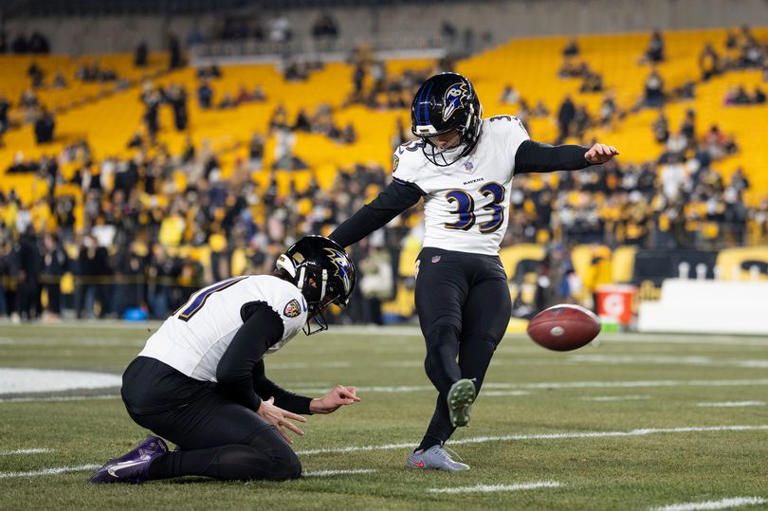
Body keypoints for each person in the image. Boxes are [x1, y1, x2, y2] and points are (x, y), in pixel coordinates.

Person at [329, 72, 618, 471]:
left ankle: (429, 448)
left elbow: (546, 156)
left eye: (445, 133)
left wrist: (585, 156)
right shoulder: (419, 159)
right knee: (442, 339)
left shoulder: (502, 138)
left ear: (468, 120)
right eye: (430, 134)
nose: (436, 142)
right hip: (441, 261)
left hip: (488, 266)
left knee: (477, 360)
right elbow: (379, 210)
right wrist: (331, 242)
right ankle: (452, 391)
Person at [89, 236, 360, 484]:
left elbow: (254, 381)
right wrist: (257, 407)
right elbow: (232, 374)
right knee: (282, 463)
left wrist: (315, 405)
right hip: (172, 390)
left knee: (254, 430)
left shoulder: (254, 285)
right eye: (329, 296)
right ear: (312, 282)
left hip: (148, 378)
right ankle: (155, 465)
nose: (324, 307)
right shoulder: (290, 301)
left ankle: (191, 446)